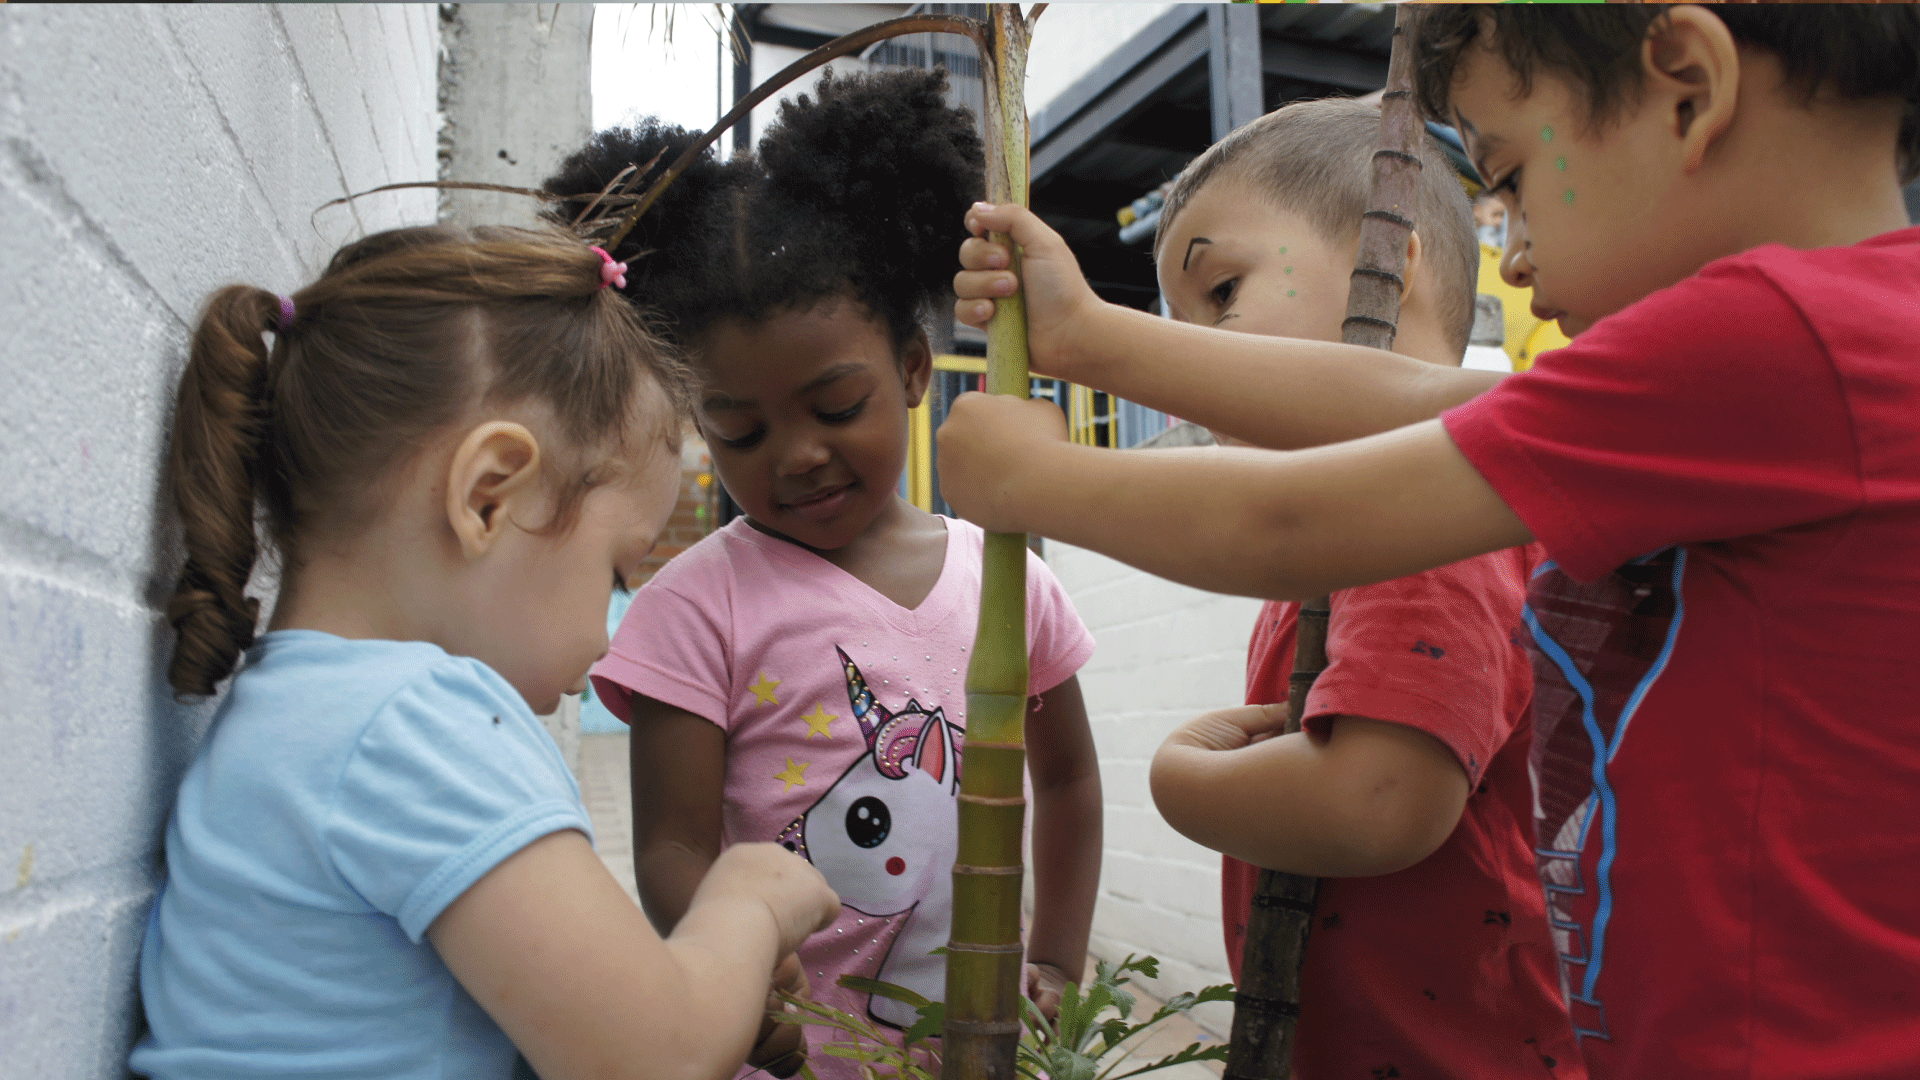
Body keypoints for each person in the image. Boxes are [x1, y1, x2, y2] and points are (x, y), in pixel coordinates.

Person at [937, 7, 1920, 1078]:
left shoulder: (1765, 339)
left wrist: (1039, 483)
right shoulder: (1837, 336)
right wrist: (1091, 337)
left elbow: (1293, 521)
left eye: (1511, 176)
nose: (1509, 238)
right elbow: (1406, 398)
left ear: (1689, 85)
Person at [131, 225, 840, 1080]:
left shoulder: (305, 717)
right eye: (616, 573)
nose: (607, 636)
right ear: (489, 496)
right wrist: (748, 903)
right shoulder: (420, 727)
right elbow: (662, 1055)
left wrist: (708, 980)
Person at [542, 69, 1102, 1076]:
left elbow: (1067, 781)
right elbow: (672, 850)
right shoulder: (692, 609)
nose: (796, 454)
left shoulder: (1010, 583)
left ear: (916, 372)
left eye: (836, 406)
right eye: (742, 429)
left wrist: (1057, 960)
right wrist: (743, 977)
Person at [1144, 97, 1582, 1079]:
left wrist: (1182, 778)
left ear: (1395, 260)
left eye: (1221, 293)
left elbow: (1378, 800)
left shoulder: (1419, 513)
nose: (1191, 361)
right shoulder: (1370, 512)